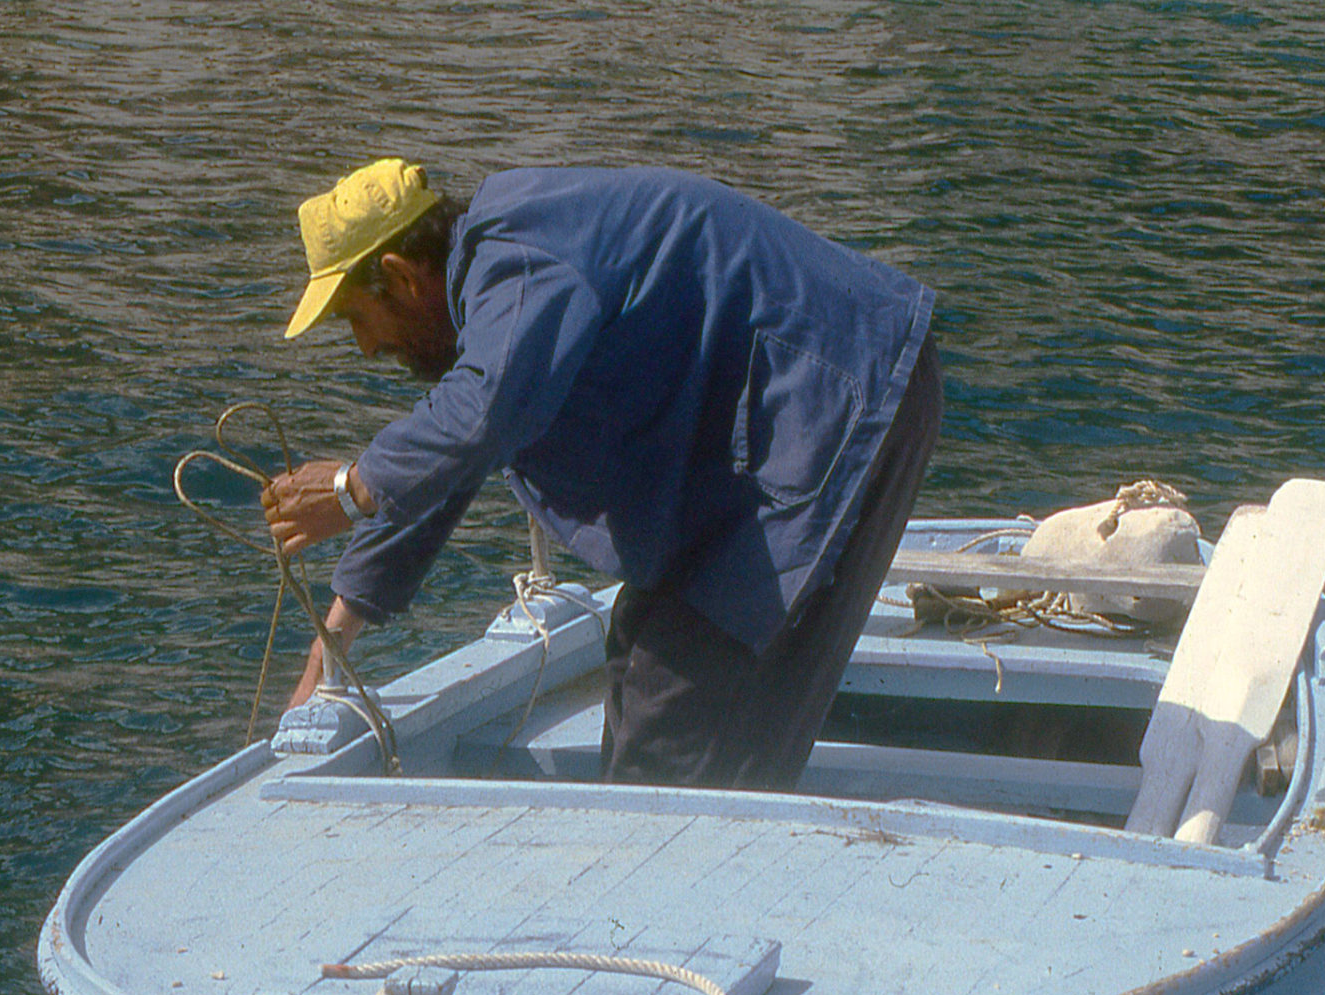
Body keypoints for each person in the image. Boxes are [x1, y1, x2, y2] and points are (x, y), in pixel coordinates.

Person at [264, 157, 941, 790]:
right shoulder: (502, 294)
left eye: (358, 317)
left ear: (403, 275)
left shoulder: (519, 256)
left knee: (679, 705)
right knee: (646, 661)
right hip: (788, 425)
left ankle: (662, 893)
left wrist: (349, 489)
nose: (366, 346)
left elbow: (484, 411)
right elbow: (455, 456)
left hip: (841, 398)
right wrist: (328, 654)